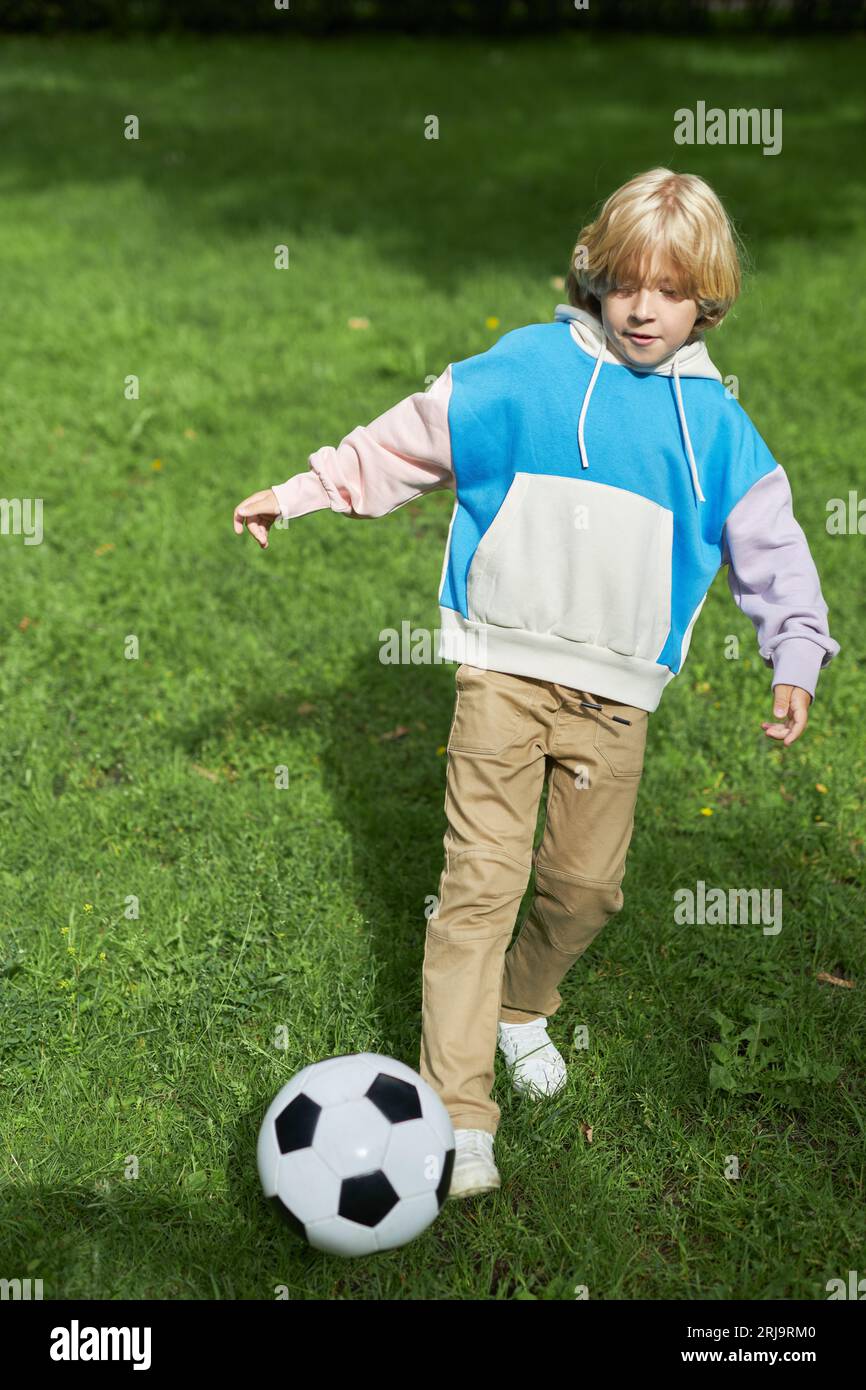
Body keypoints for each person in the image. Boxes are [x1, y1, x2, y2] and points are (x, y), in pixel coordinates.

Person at [233, 168, 840, 1200]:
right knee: (476, 888)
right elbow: (407, 438)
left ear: (708, 301)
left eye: (670, 288)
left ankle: (522, 1008)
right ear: (594, 279)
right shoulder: (522, 369)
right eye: (625, 283)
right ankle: (458, 1114)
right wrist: (306, 490)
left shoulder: (716, 428)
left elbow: (768, 546)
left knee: (582, 889)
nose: (643, 307)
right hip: (502, 670)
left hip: (615, 697)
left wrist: (794, 648)